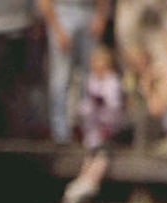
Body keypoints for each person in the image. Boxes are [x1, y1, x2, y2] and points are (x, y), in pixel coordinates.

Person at [61, 44, 128, 203]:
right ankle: (83, 180)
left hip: (113, 128)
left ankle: (91, 182)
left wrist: (98, 106)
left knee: (102, 153)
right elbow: (86, 107)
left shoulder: (114, 82)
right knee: (91, 153)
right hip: (95, 129)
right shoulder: (92, 80)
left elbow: (114, 107)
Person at [39, 0, 113, 142]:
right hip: (63, 12)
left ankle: (89, 129)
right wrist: (56, 28)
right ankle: (60, 134)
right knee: (61, 78)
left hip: (89, 11)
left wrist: (101, 16)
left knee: (91, 77)